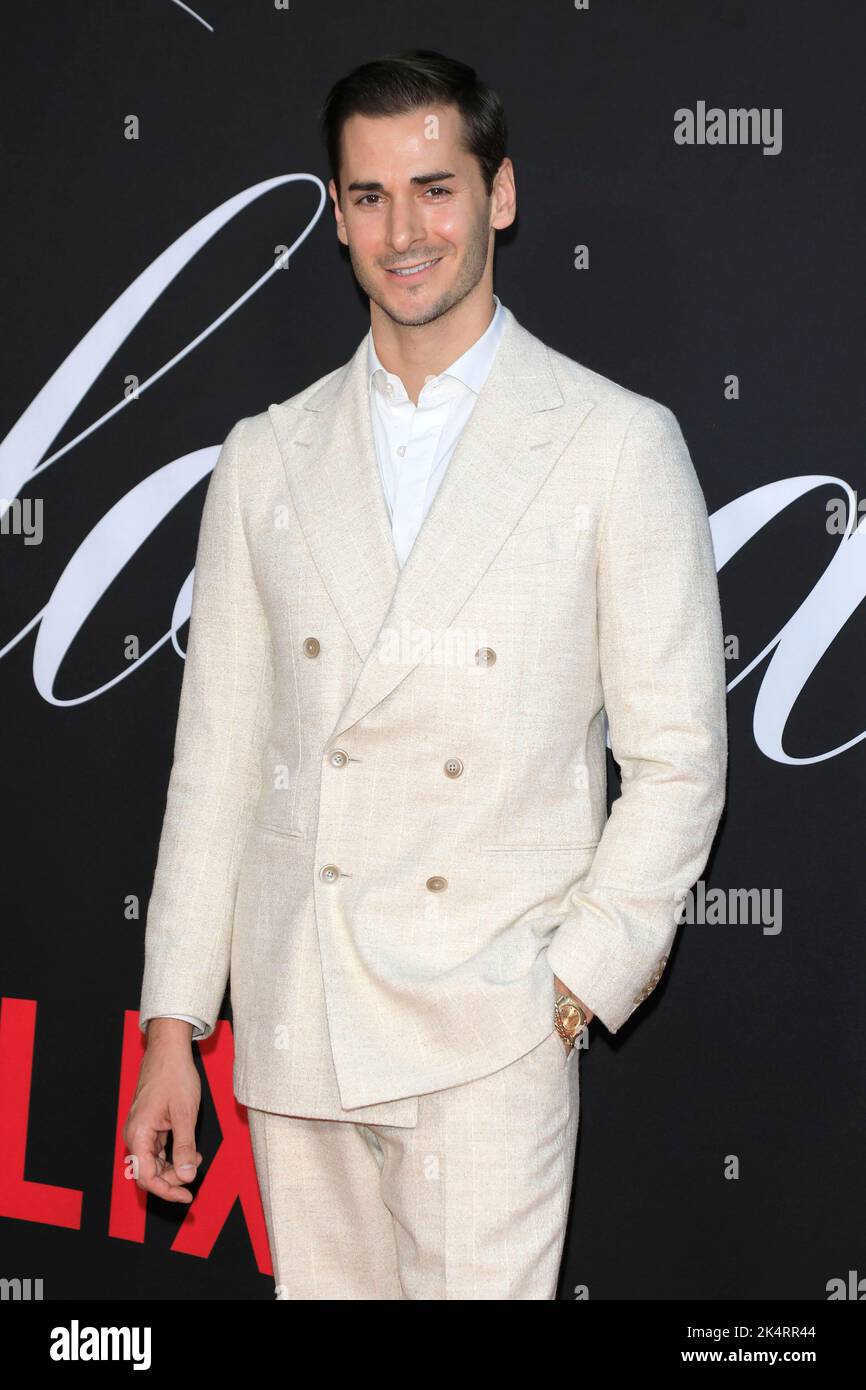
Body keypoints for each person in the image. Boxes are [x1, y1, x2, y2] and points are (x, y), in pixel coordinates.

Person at [125, 48, 728, 1300]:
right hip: (300, 1025)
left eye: (435, 188)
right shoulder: (264, 456)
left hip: (488, 1025)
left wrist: (569, 990)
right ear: (335, 213)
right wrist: (172, 1026)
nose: (404, 232)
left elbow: (676, 761)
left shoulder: (614, 442)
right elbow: (218, 762)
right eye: (367, 197)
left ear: (499, 195)